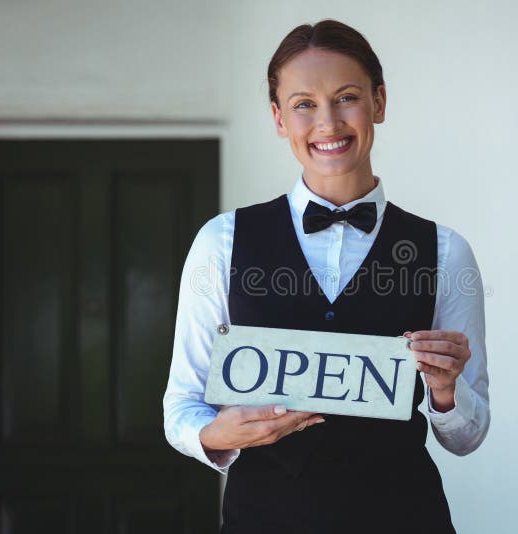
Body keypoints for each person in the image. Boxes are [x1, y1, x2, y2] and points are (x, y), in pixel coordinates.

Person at [163, 19, 490, 534]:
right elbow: (181, 405)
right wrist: (218, 433)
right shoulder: (220, 243)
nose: (328, 122)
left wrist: (447, 392)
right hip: (263, 519)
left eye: (346, 97)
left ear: (379, 103)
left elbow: (467, 436)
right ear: (278, 118)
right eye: (303, 104)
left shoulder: (446, 252)